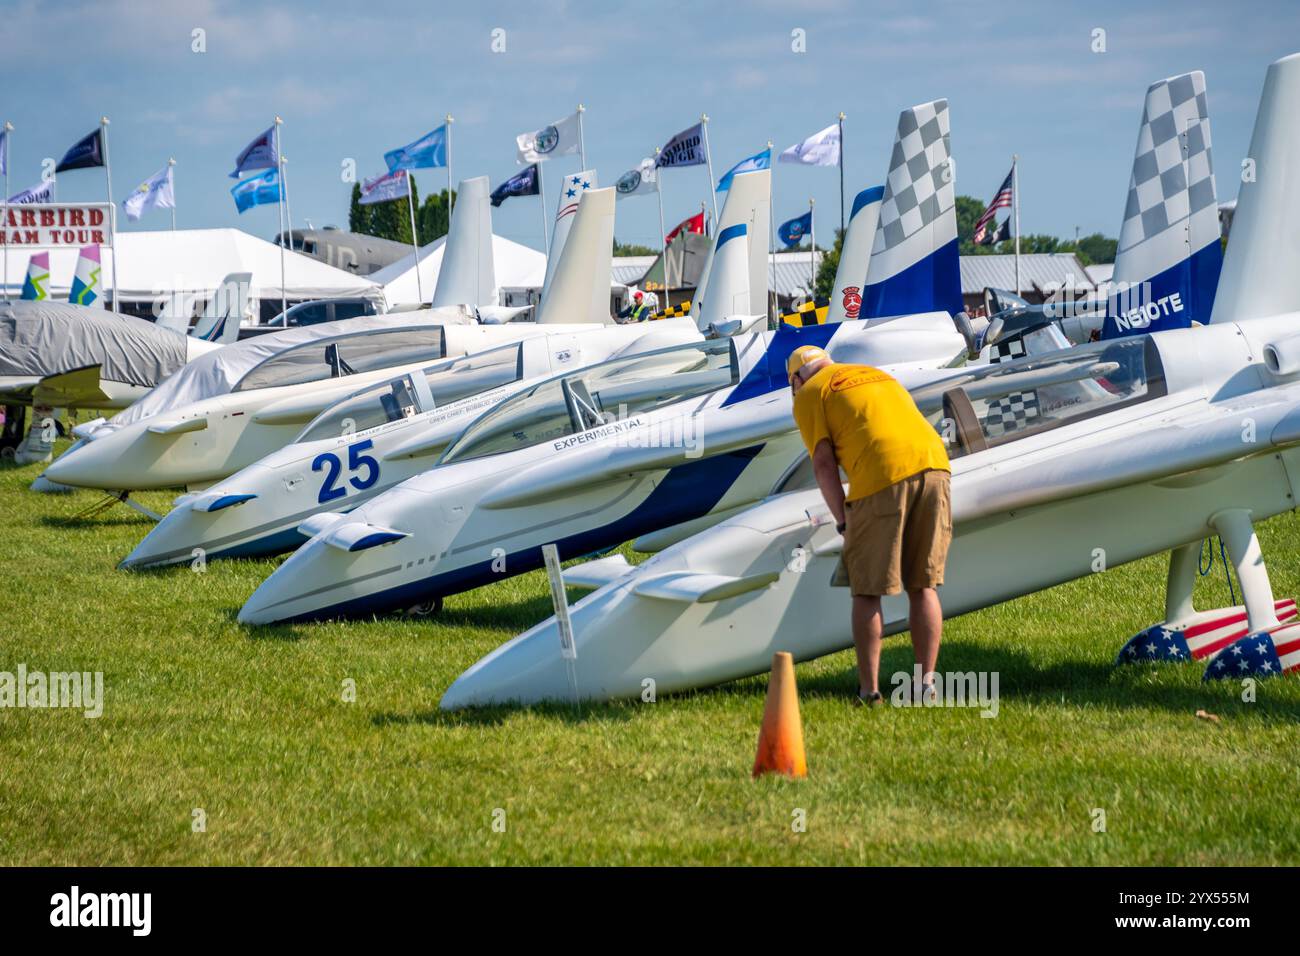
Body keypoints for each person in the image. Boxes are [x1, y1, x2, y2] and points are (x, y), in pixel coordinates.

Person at [787, 345, 952, 706]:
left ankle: (869, 691)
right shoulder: (876, 373)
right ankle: (926, 686)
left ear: (797, 379)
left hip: (882, 474)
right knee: (923, 585)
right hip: (936, 465)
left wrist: (844, 522)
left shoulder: (810, 393)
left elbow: (824, 465)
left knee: (866, 590)